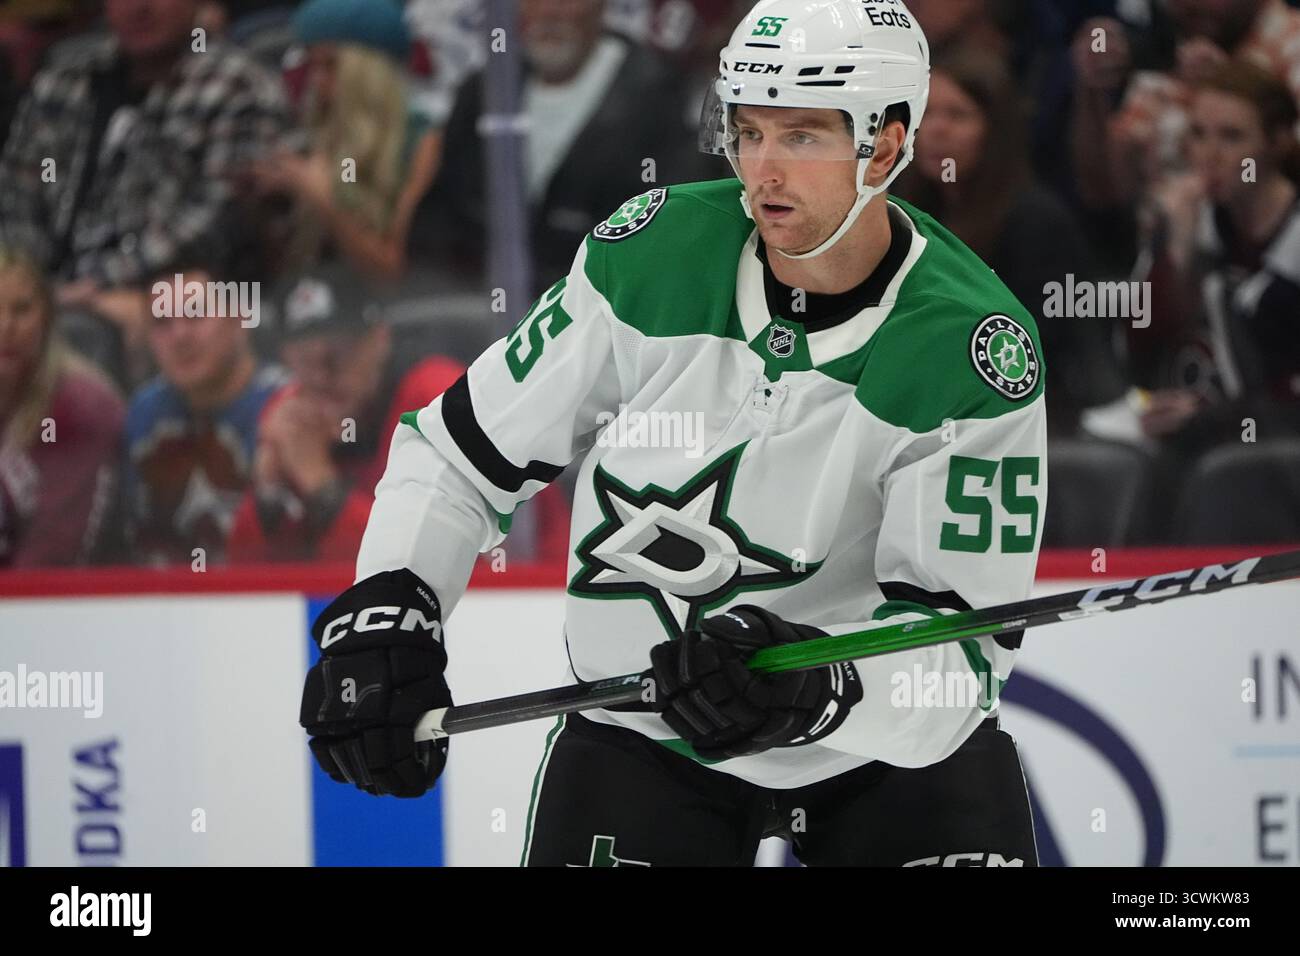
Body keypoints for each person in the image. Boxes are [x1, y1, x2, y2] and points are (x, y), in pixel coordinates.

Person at [300, 0, 1047, 868]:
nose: (763, 170)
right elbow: (459, 456)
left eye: (802, 137)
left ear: (882, 147)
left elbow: (954, 669)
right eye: (748, 131)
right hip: (641, 735)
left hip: (879, 755)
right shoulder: (648, 256)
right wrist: (394, 607)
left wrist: (822, 684)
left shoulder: (971, 349)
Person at [897, 47, 1125, 434]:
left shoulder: (1034, 220)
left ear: (994, 130)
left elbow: (1031, 345)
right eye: (928, 113)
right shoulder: (907, 214)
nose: (937, 129)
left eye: (957, 115)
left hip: (1030, 422)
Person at [227, 269, 463, 562]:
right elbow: (248, 579)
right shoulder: (290, 413)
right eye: (304, 359)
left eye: (337, 354)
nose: (321, 376)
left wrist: (322, 486)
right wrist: (269, 496)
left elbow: (435, 563)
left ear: (380, 340)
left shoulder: (436, 398)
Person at [241, 0, 440, 281]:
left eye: (331, 66)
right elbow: (290, 274)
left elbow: (393, 272)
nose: (318, 82)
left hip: (389, 309)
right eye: (312, 66)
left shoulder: (421, 142)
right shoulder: (312, 135)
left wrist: (324, 199)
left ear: (371, 72)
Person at [120, 261, 287, 566]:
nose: (180, 336)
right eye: (162, 323)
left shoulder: (285, 406)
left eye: (195, 314)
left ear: (238, 318)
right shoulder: (143, 413)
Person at [0, 246, 124, 567]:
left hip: (62, 607)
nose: (5, 328)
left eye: (21, 310)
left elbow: (53, 556)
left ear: (48, 318)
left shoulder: (82, 407)